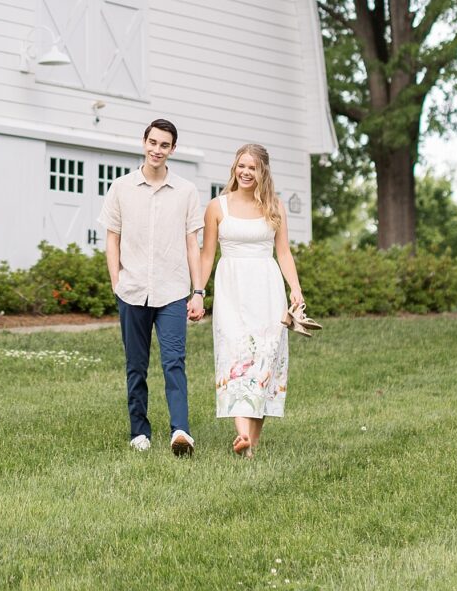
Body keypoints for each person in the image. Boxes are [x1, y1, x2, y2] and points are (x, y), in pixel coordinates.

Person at [99, 119, 204, 455]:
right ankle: (139, 431)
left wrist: (198, 290)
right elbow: (112, 239)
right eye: (153, 142)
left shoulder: (186, 191)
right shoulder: (121, 188)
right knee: (136, 364)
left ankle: (181, 431)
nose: (157, 150)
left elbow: (192, 244)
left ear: (172, 149)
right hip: (131, 291)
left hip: (172, 290)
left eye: (164, 145)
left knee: (174, 361)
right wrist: (117, 281)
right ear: (143, 142)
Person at [199, 142, 304, 457]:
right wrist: (198, 292)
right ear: (235, 167)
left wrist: (295, 289)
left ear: (263, 172)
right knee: (236, 355)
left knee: (265, 360)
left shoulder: (275, 206)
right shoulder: (218, 207)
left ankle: (250, 445)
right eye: (241, 165)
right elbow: (206, 256)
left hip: (267, 288)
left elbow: (283, 252)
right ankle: (242, 433)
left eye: (252, 167)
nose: (245, 172)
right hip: (232, 290)